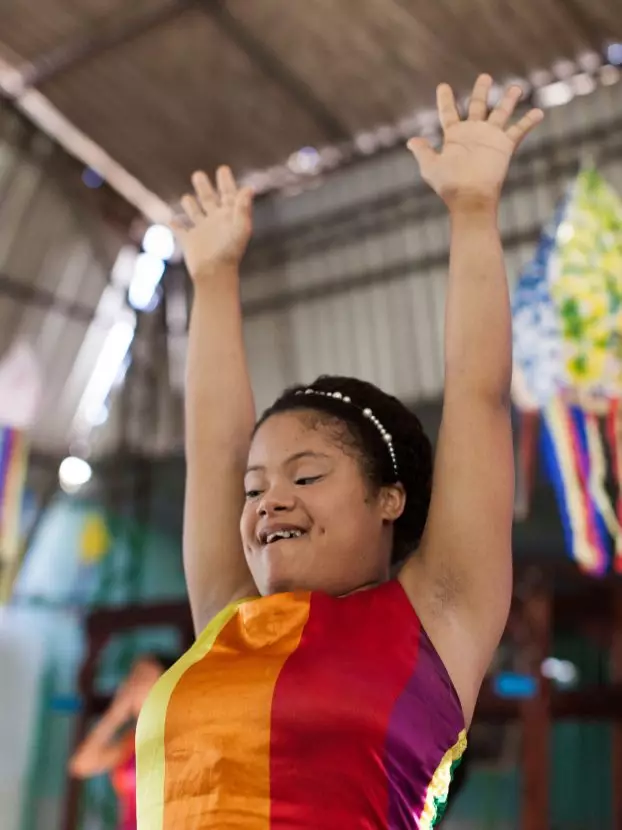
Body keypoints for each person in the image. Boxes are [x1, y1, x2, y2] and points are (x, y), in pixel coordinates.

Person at [136, 75, 543, 829]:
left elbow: (476, 392)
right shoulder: (228, 620)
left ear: (390, 498)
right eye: (255, 490)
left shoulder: (439, 618)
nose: (267, 501)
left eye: (307, 474)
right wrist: (214, 274)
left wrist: (474, 210)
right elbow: (215, 448)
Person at [70, 655, 175, 830]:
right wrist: (116, 712)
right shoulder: (133, 743)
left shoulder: (177, 735)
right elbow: (81, 764)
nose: (132, 687)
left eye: (142, 679)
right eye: (132, 679)